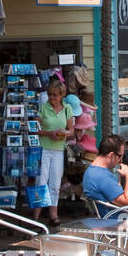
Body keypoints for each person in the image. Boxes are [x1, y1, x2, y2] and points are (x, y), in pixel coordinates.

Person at [34, 79, 76, 226]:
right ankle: (36, 215)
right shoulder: (43, 108)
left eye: (55, 95)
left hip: (58, 150)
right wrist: (48, 133)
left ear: (61, 95)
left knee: (55, 184)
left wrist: (65, 133)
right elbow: (35, 129)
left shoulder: (67, 108)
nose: (52, 98)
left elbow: (71, 130)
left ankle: (53, 214)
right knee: (41, 182)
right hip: (44, 149)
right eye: (50, 95)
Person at [81, 134, 128, 209]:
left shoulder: (92, 170)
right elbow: (126, 203)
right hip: (116, 218)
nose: (121, 160)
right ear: (111, 155)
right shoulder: (102, 176)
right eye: (120, 156)